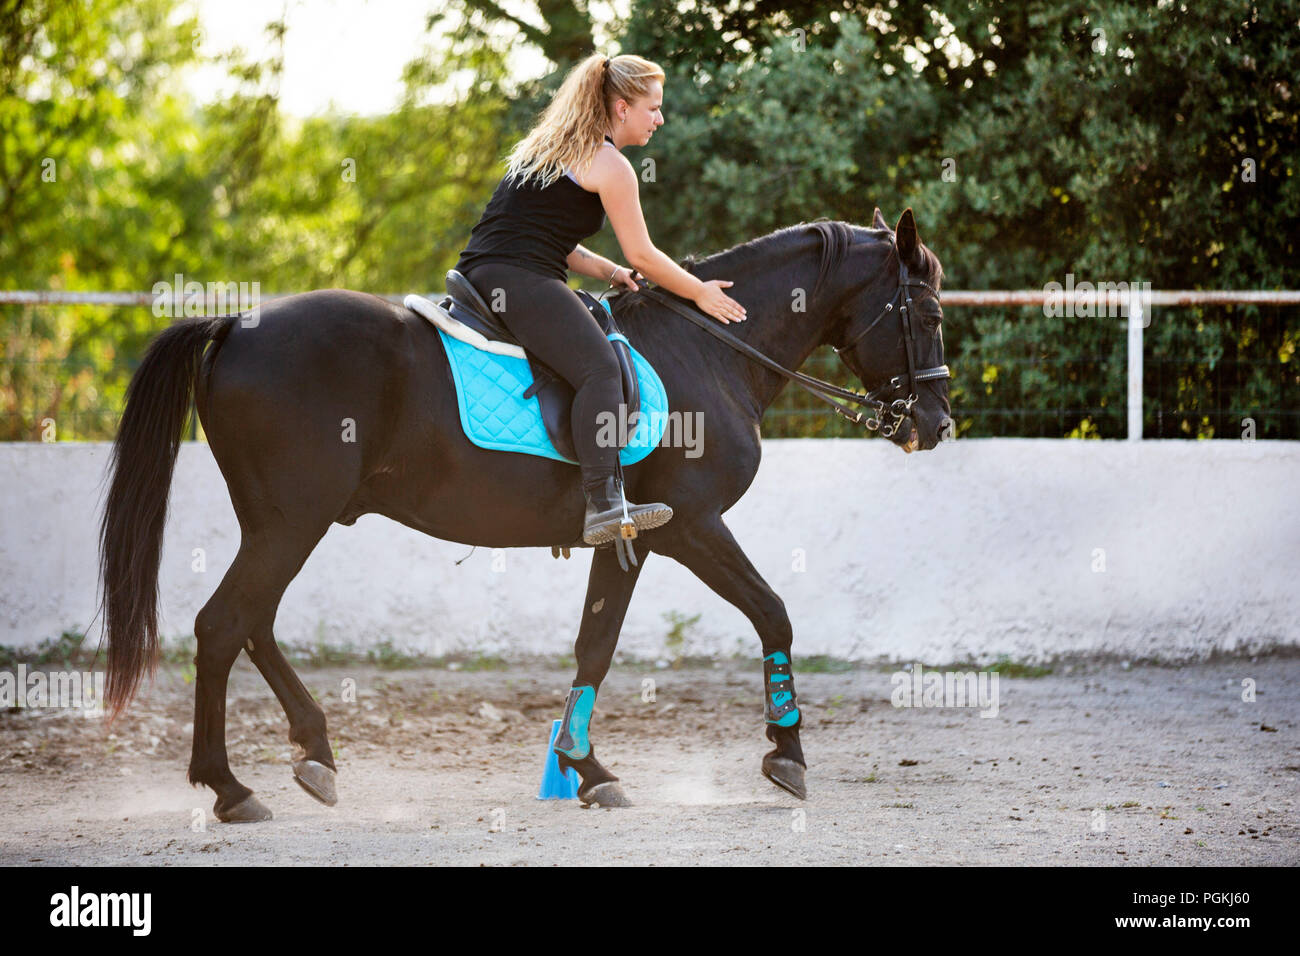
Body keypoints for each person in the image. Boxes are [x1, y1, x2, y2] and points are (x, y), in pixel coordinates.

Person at [454, 52, 747, 546]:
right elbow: (646, 254)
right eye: (652, 107)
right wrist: (698, 290)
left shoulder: (548, 147)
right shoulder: (610, 164)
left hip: (485, 273)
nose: (660, 118)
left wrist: (610, 270)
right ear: (620, 107)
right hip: (522, 278)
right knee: (600, 369)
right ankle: (603, 503)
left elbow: (557, 241)